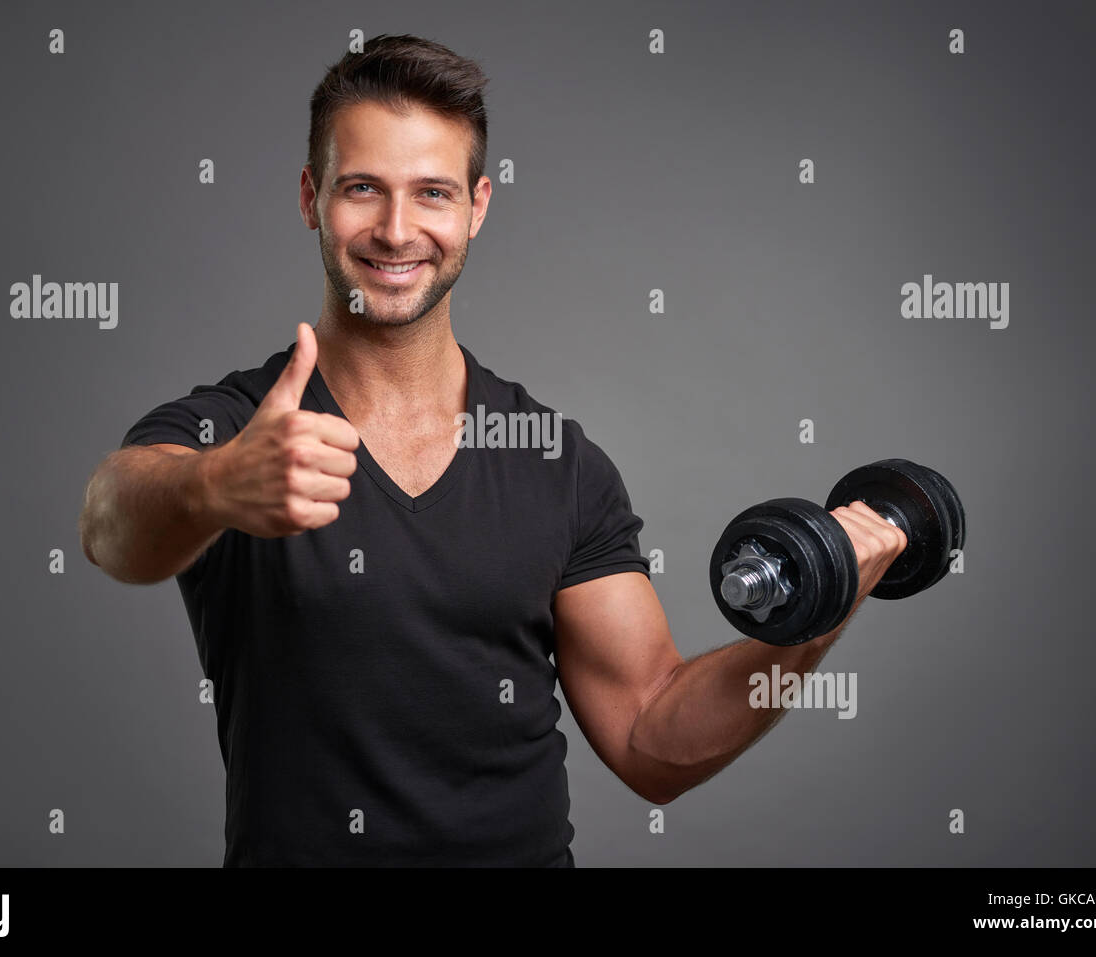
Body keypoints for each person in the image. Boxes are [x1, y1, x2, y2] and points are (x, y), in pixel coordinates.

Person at [78, 34, 907, 867]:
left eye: (431, 193)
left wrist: (820, 606)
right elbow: (110, 522)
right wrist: (216, 486)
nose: (397, 230)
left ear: (477, 206)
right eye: (363, 188)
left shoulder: (556, 461)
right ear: (310, 196)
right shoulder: (244, 429)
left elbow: (651, 738)